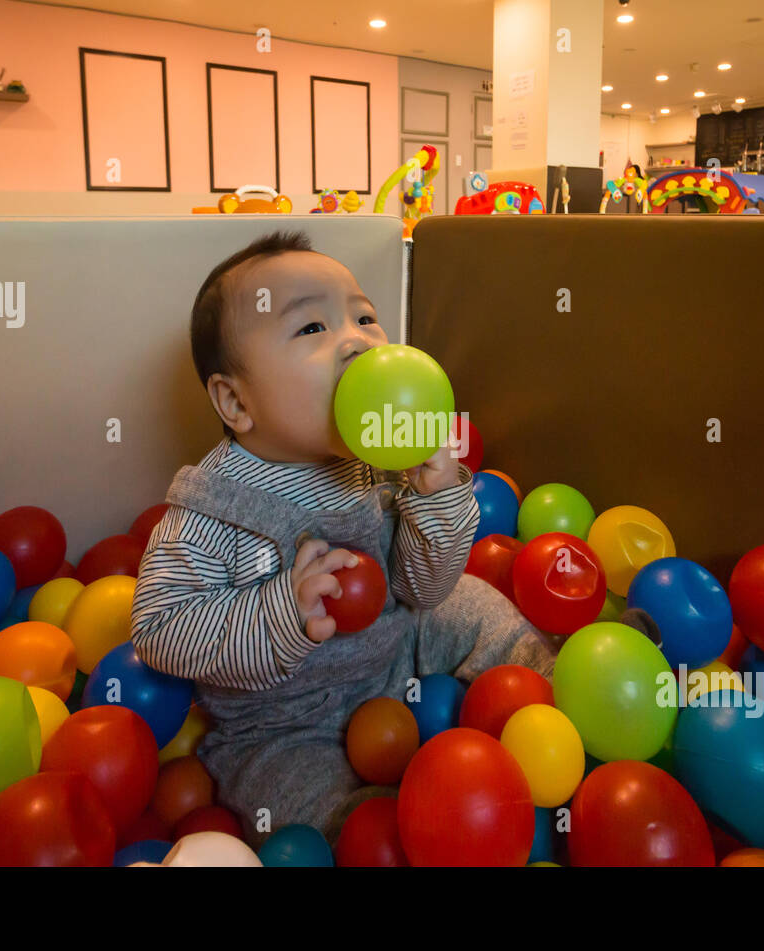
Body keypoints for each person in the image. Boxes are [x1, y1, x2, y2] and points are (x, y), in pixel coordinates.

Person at [131, 229, 557, 851]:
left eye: (365, 317)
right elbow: (159, 629)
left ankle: (550, 680)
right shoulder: (213, 512)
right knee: (310, 811)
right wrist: (279, 610)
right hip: (282, 723)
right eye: (311, 329)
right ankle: (398, 823)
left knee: (465, 601)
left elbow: (422, 587)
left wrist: (437, 501)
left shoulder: (377, 464)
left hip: (394, 653)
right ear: (234, 400)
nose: (358, 341)